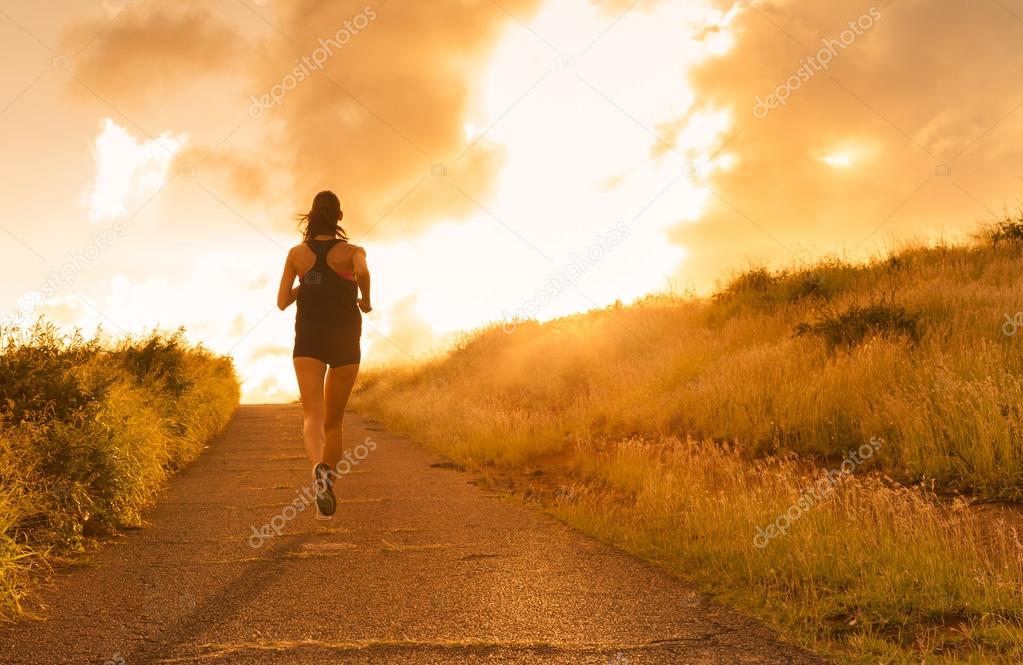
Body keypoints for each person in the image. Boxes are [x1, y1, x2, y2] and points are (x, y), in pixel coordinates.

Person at [277, 191, 372, 519]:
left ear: (313, 216)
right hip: (346, 338)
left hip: (308, 339)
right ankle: (327, 481)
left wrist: (308, 285)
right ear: (339, 217)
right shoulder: (353, 251)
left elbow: (281, 301)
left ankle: (317, 467)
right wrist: (366, 300)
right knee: (335, 422)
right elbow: (363, 273)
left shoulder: (296, 254)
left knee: (312, 416)